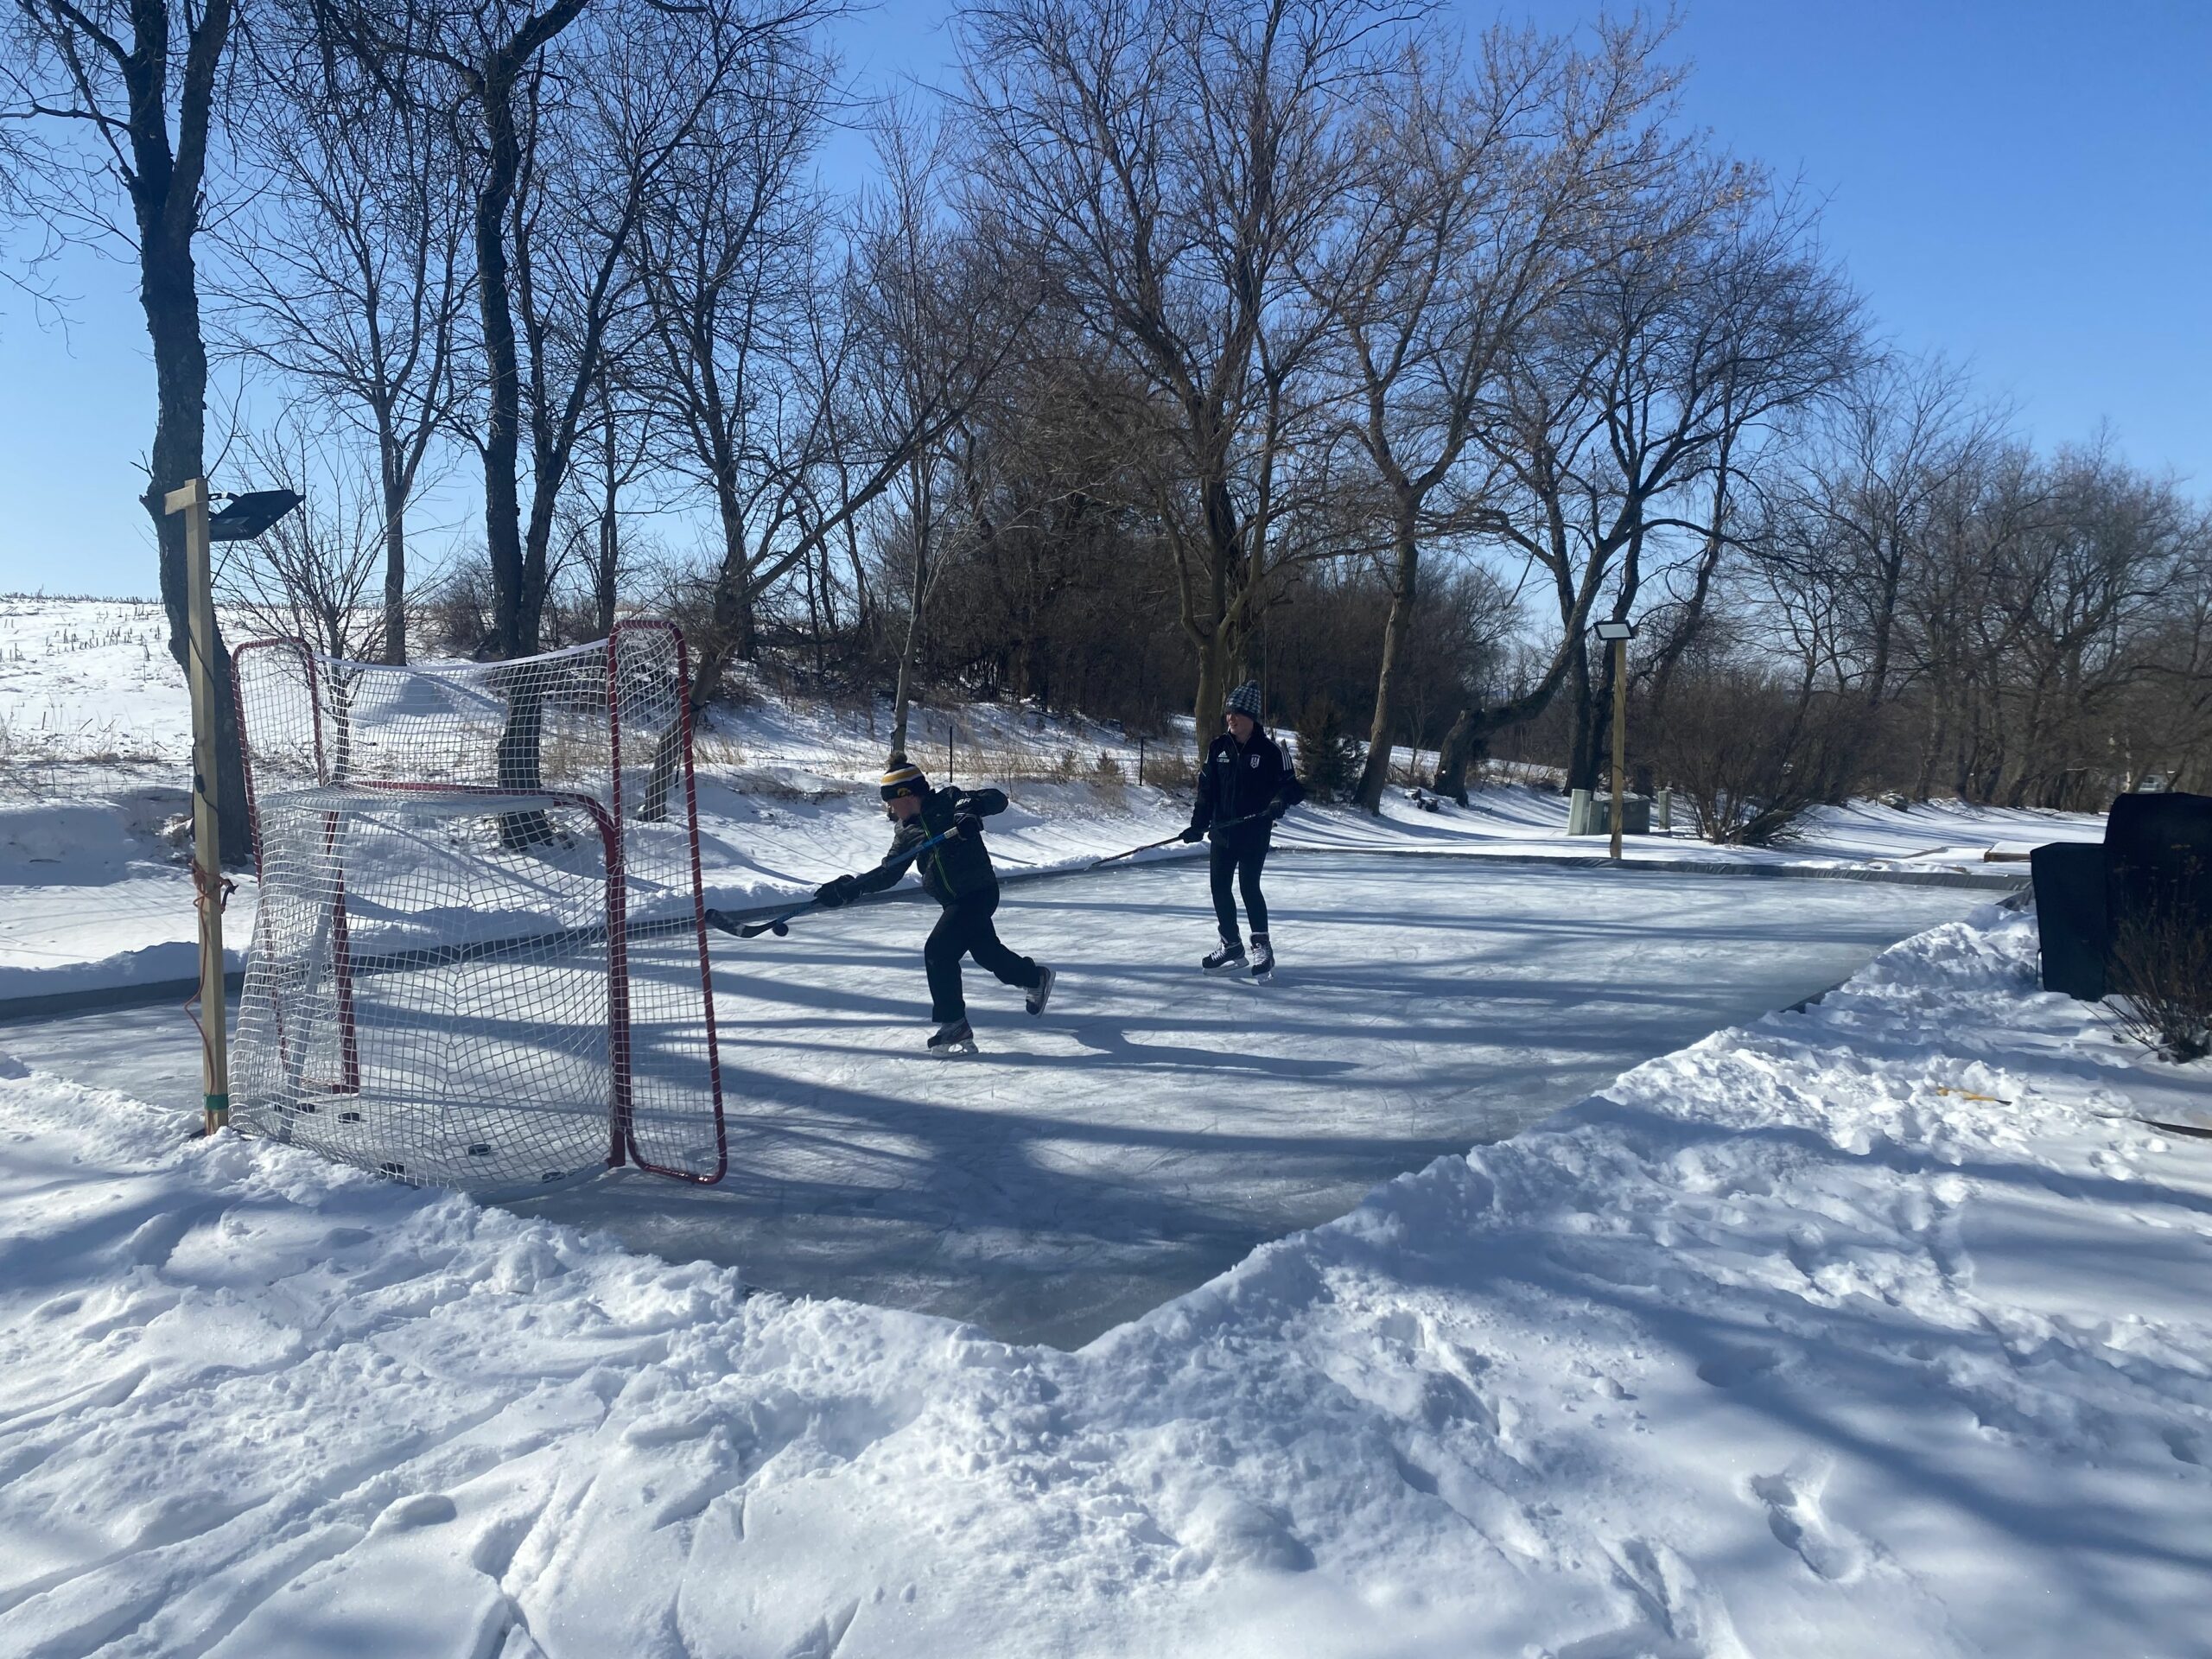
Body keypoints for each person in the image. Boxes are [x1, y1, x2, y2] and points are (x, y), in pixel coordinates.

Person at [813, 752, 1054, 1052]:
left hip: (977, 892)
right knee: (986, 953)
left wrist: (971, 807)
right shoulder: (907, 832)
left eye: (891, 801)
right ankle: (1034, 978)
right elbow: (889, 873)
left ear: (908, 795)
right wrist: (851, 888)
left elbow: (997, 799)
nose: (890, 808)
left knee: (938, 951)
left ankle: (954, 1024)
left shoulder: (950, 801)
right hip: (951, 900)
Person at [1179, 681, 1301, 976]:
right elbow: (1206, 791)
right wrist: (1197, 826)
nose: (1231, 718)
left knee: (1249, 887)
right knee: (1219, 888)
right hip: (1222, 832)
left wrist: (1277, 803)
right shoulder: (1217, 747)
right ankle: (1231, 943)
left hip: (1254, 833)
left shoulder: (1272, 751)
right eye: (1228, 713)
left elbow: (1293, 788)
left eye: (1237, 713)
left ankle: (1262, 945)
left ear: (1252, 717)